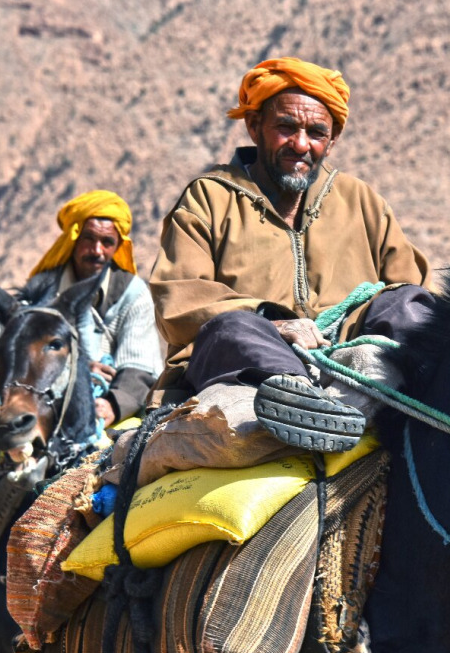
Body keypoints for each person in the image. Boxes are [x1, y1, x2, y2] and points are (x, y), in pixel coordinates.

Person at [149, 57, 432, 451]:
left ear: (331, 141)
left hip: (345, 354)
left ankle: (363, 394)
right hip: (245, 360)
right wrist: (274, 323)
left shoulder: (361, 201)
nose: (301, 144)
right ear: (254, 127)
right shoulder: (208, 198)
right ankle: (301, 401)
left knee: (409, 305)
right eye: (286, 127)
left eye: (316, 132)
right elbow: (178, 299)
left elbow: (410, 288)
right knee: (232, 327)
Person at [25, 190, 163, 426]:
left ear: (117, 246)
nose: (97, 250)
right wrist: (75, 370)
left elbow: (137, 367)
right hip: (46, 395)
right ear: (74, 239)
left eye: (107, 242)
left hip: (116, 400)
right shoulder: (43, 290)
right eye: (89, 239)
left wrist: (111, 405)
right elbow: (21, 353)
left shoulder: (135, 295)